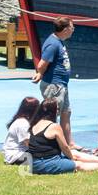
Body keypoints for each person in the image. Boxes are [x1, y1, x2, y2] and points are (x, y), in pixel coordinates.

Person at [26, 98, 98, 174]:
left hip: (33, 162)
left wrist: (71, 155)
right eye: (57, 109)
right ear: (53, 111)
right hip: (45, 163)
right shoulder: (54, 126)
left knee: (74, 153)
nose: (58, 111)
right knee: (78, 164)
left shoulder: (35, 124)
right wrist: (71, 158)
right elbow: (65, 147)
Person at [31, 16, 76, 145]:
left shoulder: (59, 41)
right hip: (54, 86)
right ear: (66, 29)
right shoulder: (53, 43)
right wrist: (40, 73)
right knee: (50, 116)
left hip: (61, 85)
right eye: (72, 27)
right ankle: (44, 144)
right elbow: (42, 64)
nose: (73, 30)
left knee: (66, 113)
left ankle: (69, 143)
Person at [3, 96, 40, 165]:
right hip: (16, 156)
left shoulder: (21, 120)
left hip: (16, 154)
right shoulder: (23, 123)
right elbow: (29, 144)